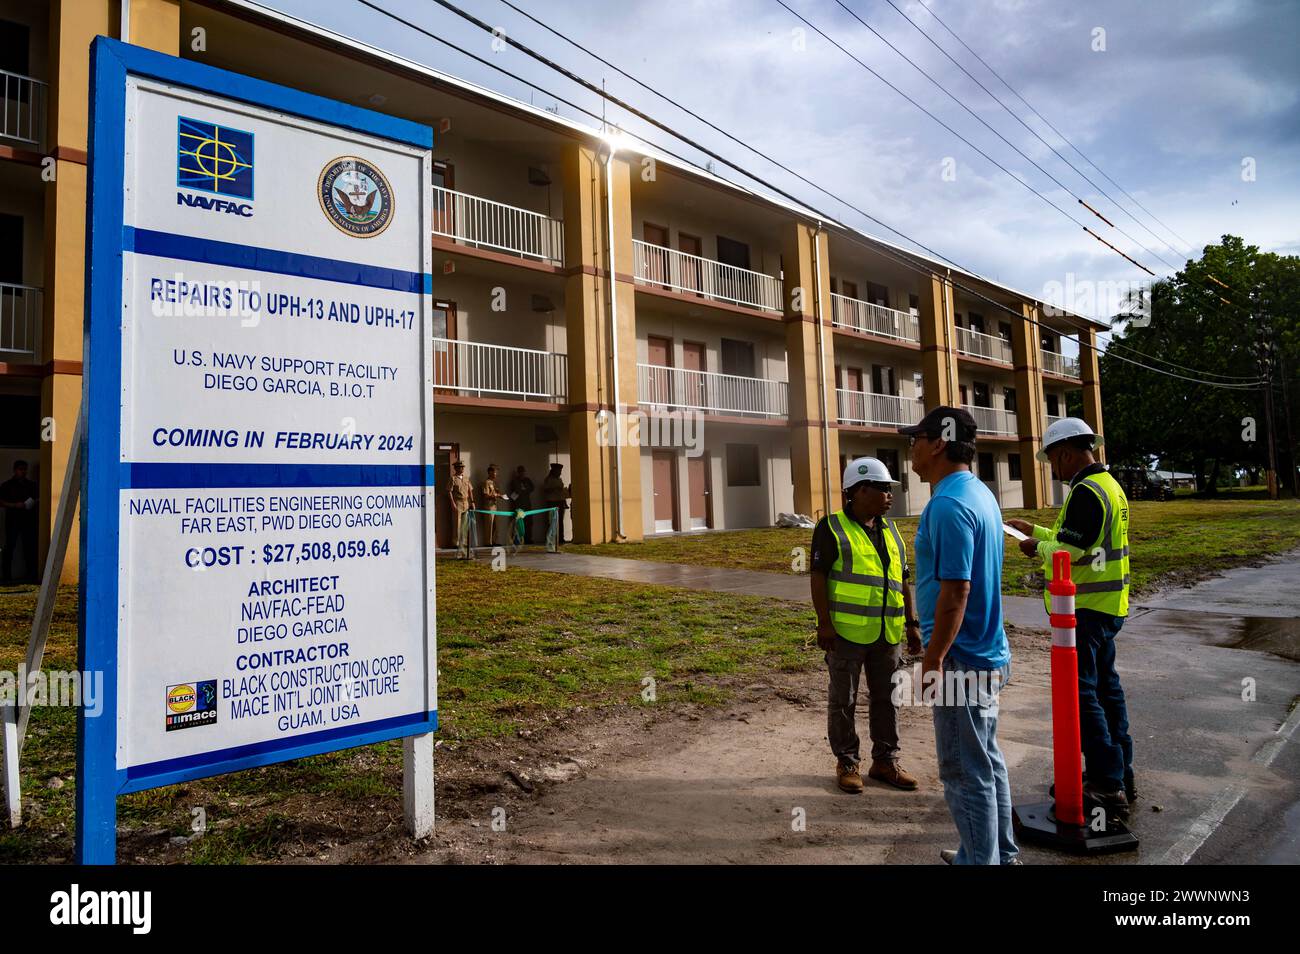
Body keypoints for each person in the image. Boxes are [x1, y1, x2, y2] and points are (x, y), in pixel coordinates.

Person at [899, 406, 1018, 865]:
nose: (911, 446)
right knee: (985, 760)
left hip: (961, 661)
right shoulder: (979, 494)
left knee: (963, 771)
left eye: (917, 438)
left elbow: (956, 591)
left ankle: (981, 861)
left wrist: (933, 660)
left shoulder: (947, 505)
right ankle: (994, 854)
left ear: (938, 444)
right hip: (986, 652)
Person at [1006, 417, 1135, 813]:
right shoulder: (1106, 487)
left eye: (1052, 460)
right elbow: (1074, 538)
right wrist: (1038, 531)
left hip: (1087, 610)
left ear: (1064, 454)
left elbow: (1070, 553)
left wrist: (1034, 547)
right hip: (1107, 606)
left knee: (1084, 694)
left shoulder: (1086, 492)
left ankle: (1104, 781)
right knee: (1106, 691)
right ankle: (1119, 773)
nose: (1053, 468)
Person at [810, 456, 923, 795]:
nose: (889, 496)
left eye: (890, 490)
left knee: (888, 698)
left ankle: (885, 760)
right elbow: (818, 577)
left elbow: (903, 580)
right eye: (882, 489)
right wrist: (824, 624)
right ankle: (847, 762)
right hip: (845, 633)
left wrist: (912, 624)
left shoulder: (891, 532)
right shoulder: (831, 527)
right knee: (843, 700)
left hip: (887, 634)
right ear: (858, 491)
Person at [1, 459, 39, 584]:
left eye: (25, 469)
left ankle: (31, 576)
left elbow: (39, 498)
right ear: (15, 470)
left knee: (30, 548)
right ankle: (6, 577)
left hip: (28, 520)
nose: (23, 472)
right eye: (21, 469)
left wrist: (32, 503)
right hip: (13, 520)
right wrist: (14, 505)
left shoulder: (31, 485)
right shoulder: (7, 485)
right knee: (9, 548)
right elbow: (0, 501)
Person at [448, 459, 474, 557]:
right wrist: (452, 503)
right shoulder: (453, 478)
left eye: (463, 467)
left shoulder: (466, 478)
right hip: (457, 502)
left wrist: (472, 501)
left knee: (465, 524)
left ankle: (464, 542)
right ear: (456, 468)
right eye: (460, 467)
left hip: (466, 502)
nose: (461, 469)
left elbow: (470, 490)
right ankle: (456, 543)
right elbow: (449, 491)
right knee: (457, 524)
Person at [480, 464, 508, 547]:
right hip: (488, 506)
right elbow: (485, 495)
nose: (496, 474)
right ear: (490, 473)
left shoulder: (494, 483)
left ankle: (495, 541)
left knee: (496, 525)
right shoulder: (486, 482)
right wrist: (497, 496)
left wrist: (501, 495)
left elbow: (496, 492)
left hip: (495, 506)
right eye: (495, 472)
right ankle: (488, 542)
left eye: (496, 472)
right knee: (489, 525)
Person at [541, 463, 568, 545]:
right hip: (552, 502)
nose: (560, 473)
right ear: (554, 471)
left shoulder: (559, 479)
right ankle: (552, 538)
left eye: (560, 471)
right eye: (558, 471)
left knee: (560, 521)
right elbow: (546, 490)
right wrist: (555, 489)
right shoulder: (548, 479)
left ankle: (560, 538)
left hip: (560, 501)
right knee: (552, 521)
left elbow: (562, 492)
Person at [509, 465, 536, 544]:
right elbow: (516, 490)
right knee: (519, 523)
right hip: (518, 504)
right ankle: (518, 539)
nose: (522, 473)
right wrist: (522, 490)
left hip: (527, 503)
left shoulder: (527, 480)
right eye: (520, 472)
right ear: (518, 472)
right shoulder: (514, 480)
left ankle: (528, 538)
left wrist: (524, 489)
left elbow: (532, 488)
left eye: (523, 472)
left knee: (529, 522)